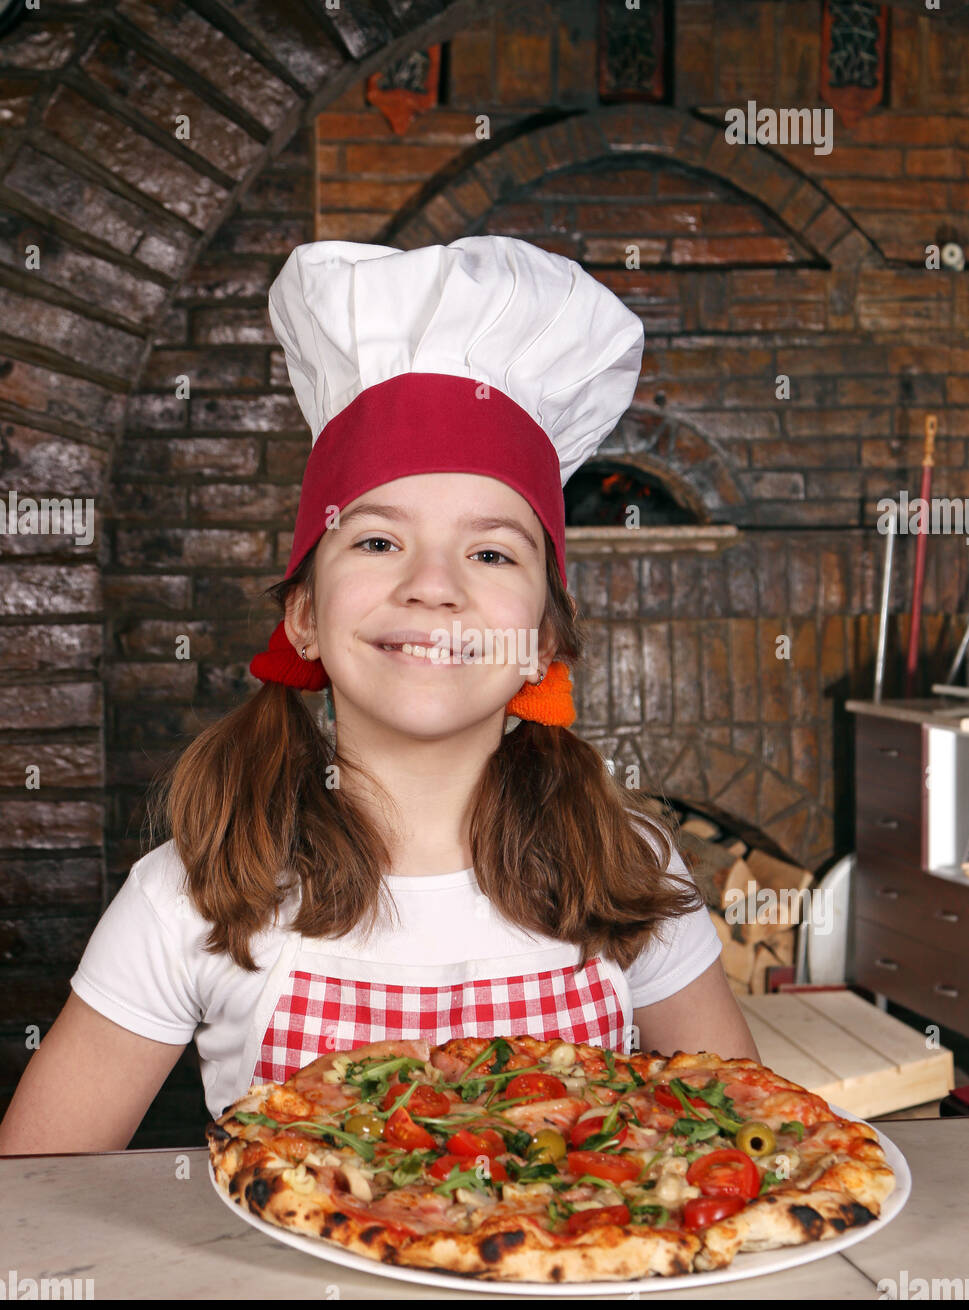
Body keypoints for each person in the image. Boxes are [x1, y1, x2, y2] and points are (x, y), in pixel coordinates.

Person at [0, 236, 759, 1156]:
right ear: (305, 619)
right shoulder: (193, 894)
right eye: (375, 542)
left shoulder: (631, 867)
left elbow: (747, 1148)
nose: (432, 584)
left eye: (490, 552)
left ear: (545, 642)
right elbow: (34, 1202)